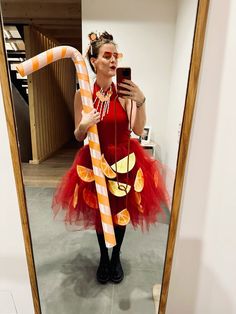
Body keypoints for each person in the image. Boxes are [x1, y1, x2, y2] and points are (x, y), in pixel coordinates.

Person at [52, 31, 169, 284]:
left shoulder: (125, 94)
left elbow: (137, 130)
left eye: (116, 56)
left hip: (124, 161)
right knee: (99, 211)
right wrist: (84, 124)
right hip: (95, 161)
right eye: (107, 56)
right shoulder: (82, 95)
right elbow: (76, 135)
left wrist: (141, 102)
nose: (113, 60)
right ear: (94, 61)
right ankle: (103, 258)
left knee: (120, 212)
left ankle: (115, 256)